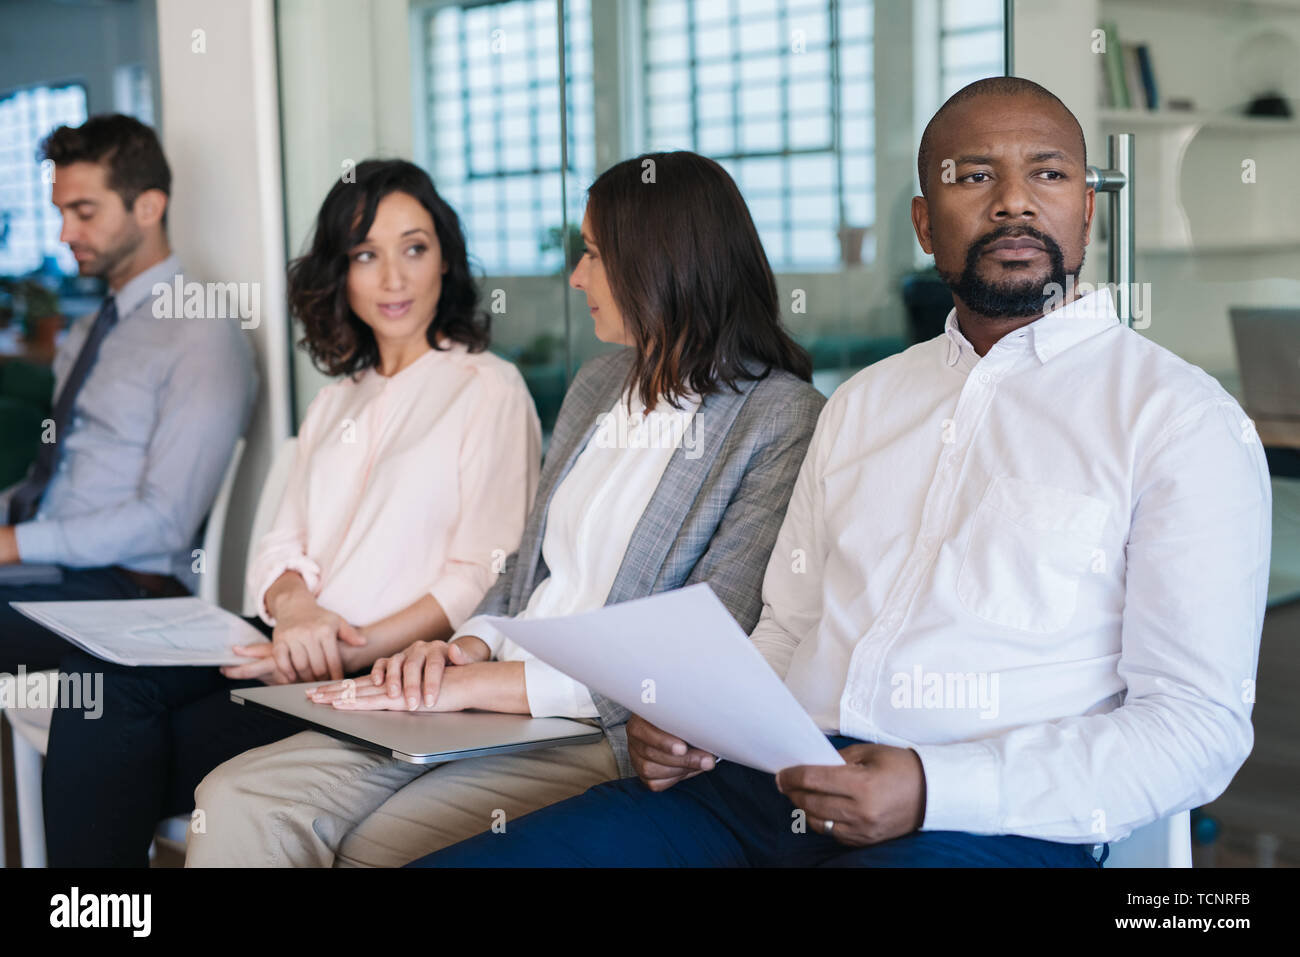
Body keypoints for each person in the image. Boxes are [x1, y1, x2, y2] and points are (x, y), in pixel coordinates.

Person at [411, 77, 1272, 868]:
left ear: (1086, 212)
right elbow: (786, 630)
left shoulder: (1178, 420)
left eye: (1046, 175)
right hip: (760, 788)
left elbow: (1196, 727)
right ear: (925, 223)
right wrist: (689, 723)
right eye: (973, 177)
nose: (1013, 201)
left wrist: (934, 786)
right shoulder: (861, 403)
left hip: (986, 826)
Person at [186, 150, 827, 867]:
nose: (577, 276)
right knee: (236, 796)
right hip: (483, 693)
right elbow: (525, 564)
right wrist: (463, 646)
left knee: (374, 841)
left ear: (662, 261)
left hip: (592, 725)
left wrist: (479, 683)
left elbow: (705, 644)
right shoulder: (600, 384)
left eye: (591, 252)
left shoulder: (778, 418)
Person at [41, 159, 541, 866]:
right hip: (289, 642)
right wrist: (298, 612)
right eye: (366, 254)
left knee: (120, 751)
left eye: (414, 248)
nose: (393, 278)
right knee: (98, 687)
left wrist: (348, 646)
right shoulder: (337, 397)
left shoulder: (488, 388)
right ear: (341, 272)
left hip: (385, 670)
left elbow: (479, 575)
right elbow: (280, 541)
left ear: (446, 260)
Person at [0, 114, 256, 672]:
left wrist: (14, 544)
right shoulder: (92, 330)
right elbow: (59, 476)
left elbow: (164, 521)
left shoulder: (200, 331)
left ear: (148, 207)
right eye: (60, 213)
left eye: (83, 212)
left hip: (123, 592)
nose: (65, 234)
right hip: (49, 570)